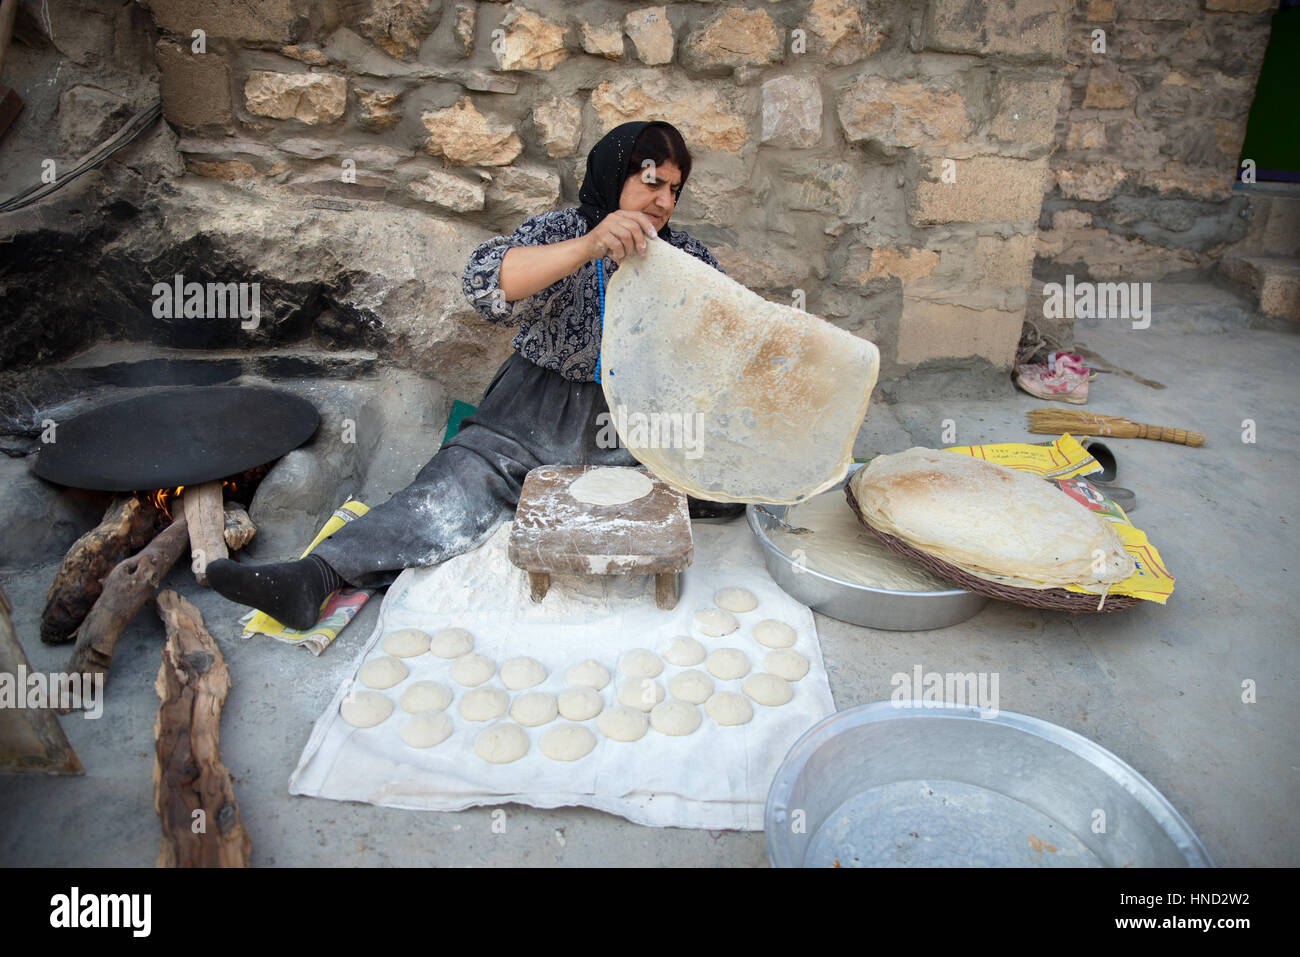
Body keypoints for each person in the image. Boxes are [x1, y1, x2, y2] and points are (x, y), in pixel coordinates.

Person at [207, 120, 742, 630]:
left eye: (674, 189)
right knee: (455, 486)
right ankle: (315, 576)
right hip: (530, 417)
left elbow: (730, 333)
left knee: (717, 482)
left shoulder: (684, 255)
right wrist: (590, 246)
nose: (664, 202)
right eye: (652, 182)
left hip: (632, 426)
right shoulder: (562, 231)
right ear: (614, 174)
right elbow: (487, 282)